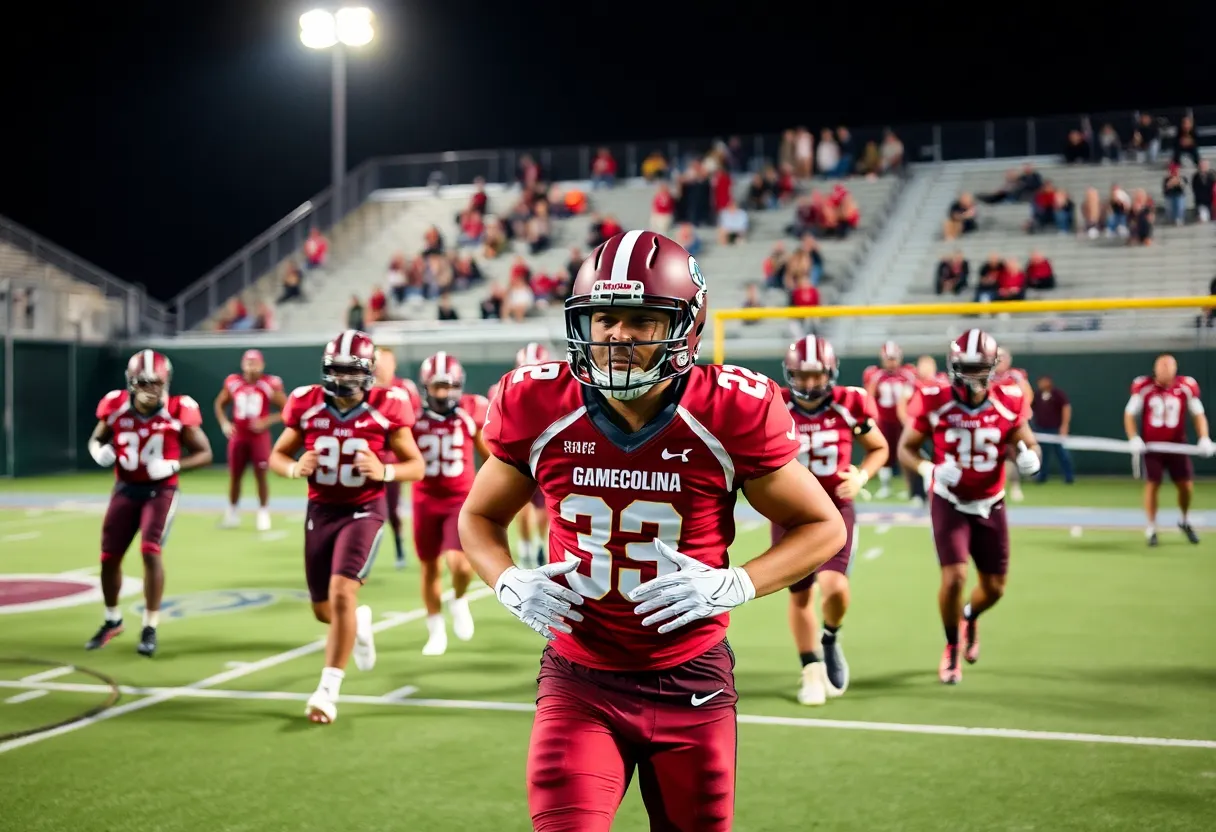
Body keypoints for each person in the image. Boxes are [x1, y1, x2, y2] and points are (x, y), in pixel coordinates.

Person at [458, 230, 846, 831]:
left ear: (686, 327)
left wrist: (735, 584)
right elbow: (479, 517)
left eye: (640, 320)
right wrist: (507, 579)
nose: (616, 338)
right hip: (578, 677)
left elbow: (821, 527)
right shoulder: (537, 402)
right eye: (604, 318)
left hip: (691, 675)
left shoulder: (729, 410)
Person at [270, 330, 425, 724]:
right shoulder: (306, 403)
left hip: (364, 510)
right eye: (335, 370)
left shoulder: (387, 405)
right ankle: (361, 621)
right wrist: (293, 467)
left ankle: (327, 690)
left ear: (368, 372)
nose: (341, 379)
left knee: (342, 593)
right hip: (320, 511)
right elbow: (277, 454)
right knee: (325, 610)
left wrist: (385, 469)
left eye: (350, 370)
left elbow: (416, 465)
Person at [899, 330, 1041, 685]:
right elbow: (906, 448)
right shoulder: (934, 398)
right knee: (955, 576)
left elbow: (1026, 442)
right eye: (967, 367)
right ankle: (951, 645)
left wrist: (1030, 458)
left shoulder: (1010, 397)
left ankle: (969, 615)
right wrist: (928, 469)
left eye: (980, 367)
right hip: (950, 501)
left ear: (993, 367)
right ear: (953, 366)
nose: (973, 375)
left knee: (994, 587)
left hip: (991, 501)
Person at [778, 335, 887, 705]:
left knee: (835, 587)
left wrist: (861, 476)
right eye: (802, 375)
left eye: (816, 375)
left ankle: (830, 636)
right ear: (790, 373)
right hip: (789, 511)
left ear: (831, 373)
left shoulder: (849, 402)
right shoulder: (774, 404)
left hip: (834, 509)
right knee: (801, 591)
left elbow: (879, 447)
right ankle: (810, 668)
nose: (809, 384)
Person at [86, 350, 213, 657]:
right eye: (142, 382)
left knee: (150, 551)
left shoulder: (178, 408)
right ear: (131, 382)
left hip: (161, 491)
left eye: (154, 382)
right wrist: (96, 450)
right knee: (108, 556)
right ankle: (112, 619)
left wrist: (174, 465)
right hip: (125, 487)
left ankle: (150, 625)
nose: (149, 388)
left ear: (165, 381)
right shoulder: (115, 405)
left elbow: (205, 453)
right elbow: (97, 438)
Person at [412, 351, 488, 655]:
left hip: (460, 498)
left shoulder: (470, 412)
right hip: (425, 499)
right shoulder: (414, 418)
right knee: (429, 568)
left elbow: (491, 457)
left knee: (460, 565)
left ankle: (458, 598)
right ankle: (435, 630)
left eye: (448, 386)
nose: (442, 394)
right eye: (437, 387)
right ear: (425, 387)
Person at [1124, 354, 1212, 546]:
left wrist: (1204, 437)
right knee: (1152, 485)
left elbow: (1198, 414)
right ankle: (1151, 528)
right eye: (1161, 366)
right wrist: (1134, 438)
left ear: (1175, 368)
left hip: (1177, 445)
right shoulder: (1144, 386)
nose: (1164, 370)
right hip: (1152, 447)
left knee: (1186, 486)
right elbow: (1130, 414)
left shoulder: (1186, 387)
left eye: (1168, 366)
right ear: (1155, 369)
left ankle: (1184, 519)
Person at [488, 342, 553, 567]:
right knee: (526, 505)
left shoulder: (557, 392)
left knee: (541, 505)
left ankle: (537, 545)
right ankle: (531, 545)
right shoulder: (503, 390)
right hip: (523, 456)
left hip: (542, 455)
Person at [214, 349, 286, 531]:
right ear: (242, 364)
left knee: (261, 475)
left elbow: (287, 409)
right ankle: (232, 513)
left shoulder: (269, 384)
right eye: (248, 362)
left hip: (258, 437)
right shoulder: (233, 382)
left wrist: (267, 421)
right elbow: (219, 403)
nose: (251, 366)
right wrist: (224, 423)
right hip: (239, 436)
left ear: (262, 365)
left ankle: (263, 513)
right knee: (235, 476)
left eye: (255, 362)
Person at [373, 346, 422, 568]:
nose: (380, 369)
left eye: (385, 363)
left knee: (392, 508)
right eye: (377, 363)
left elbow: (416, 420)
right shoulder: (365, 388)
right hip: (369, 453)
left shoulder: (404, 389)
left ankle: (399, 543)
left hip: (395, 454)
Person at [863, 341, 914, 500]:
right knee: (885, 452)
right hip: (884, 419)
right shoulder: (875, 374)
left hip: (903, 419)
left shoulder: (908, 373)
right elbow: (869, 396)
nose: (891, 362)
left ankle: (910, 487)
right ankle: (885, 486)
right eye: (888, 359)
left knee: (906, 452)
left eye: (893, 358)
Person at [992, 348, 1033, 501]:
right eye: (997, 357)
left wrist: (1022, 417)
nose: (1001, 360)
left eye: (1003, 357)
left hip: (1013, 422)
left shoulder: (1016, 375)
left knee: (1014, 454)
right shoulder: (988, 376)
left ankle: (1015, 487)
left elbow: (1027, 395)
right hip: (993, 423)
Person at [1031, 375, 1073, 484]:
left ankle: (1069, 477)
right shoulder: (1037, 395)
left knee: (1062, 454)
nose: (1041, 384)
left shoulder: (1057, 394)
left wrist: (1064, 425)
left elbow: (1066, 408)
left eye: (1043, 382)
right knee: (1043, 454)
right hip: (1041, 430)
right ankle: (1042, 477)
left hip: (1055, 430)